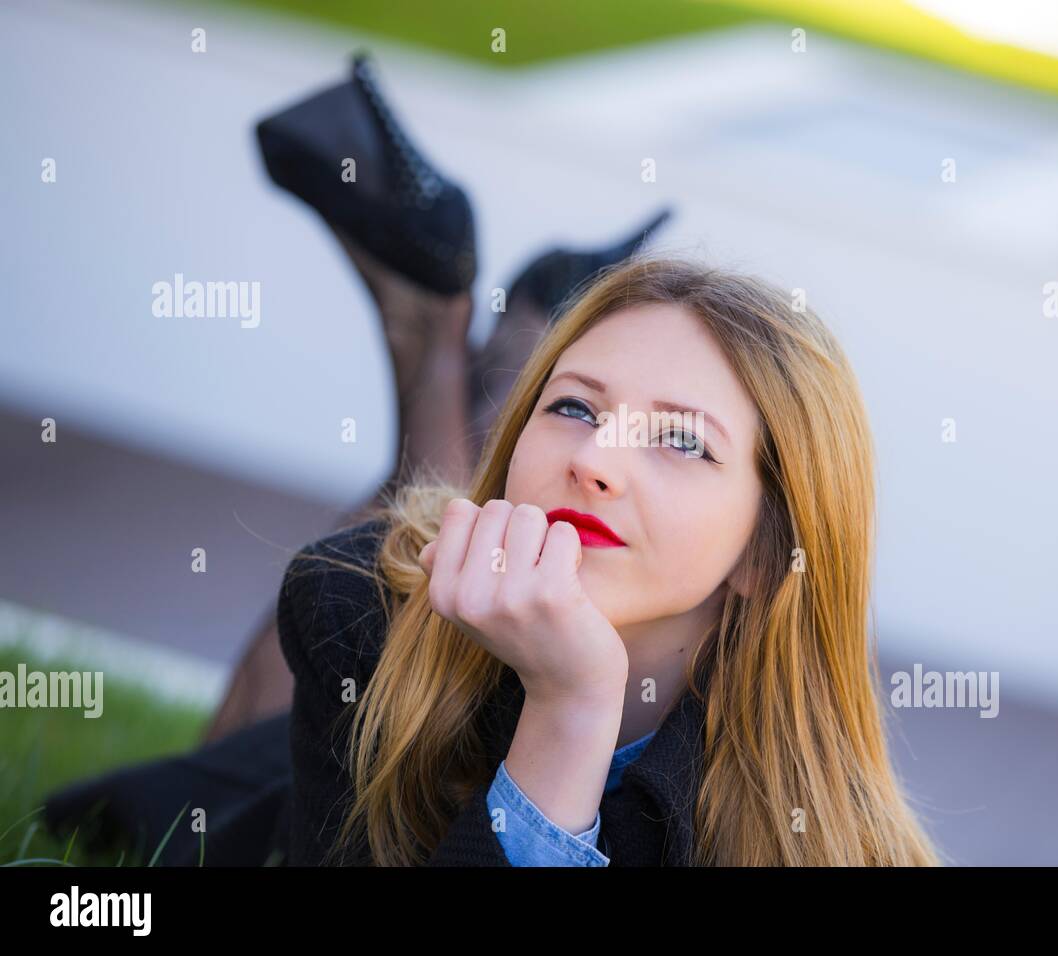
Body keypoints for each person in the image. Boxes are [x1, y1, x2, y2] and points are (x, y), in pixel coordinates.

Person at [42, 55, 943, 867]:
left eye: (680, 439)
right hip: (273, 794)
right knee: (368, 602)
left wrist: (573, 708)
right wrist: (571, 711)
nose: (595, 459)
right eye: (575, 406)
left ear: (763, 548)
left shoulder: (813, 834)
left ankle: (460, 335)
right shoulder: (353, 612)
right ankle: (496, 340)